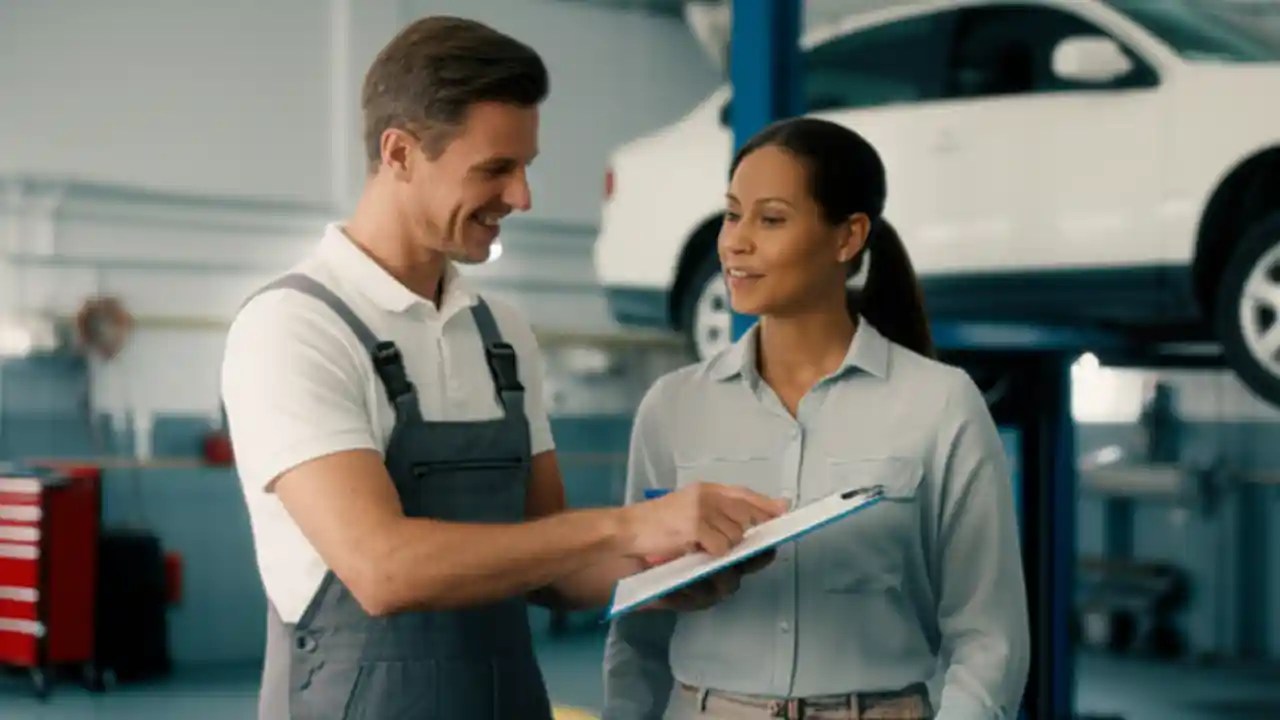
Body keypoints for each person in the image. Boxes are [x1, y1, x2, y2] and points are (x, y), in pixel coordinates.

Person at [220, 16, 786, 720]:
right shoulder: (294, 328)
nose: (523, 198)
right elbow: (381, 568)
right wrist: (629, 526)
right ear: (399, 153)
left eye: (526, 167)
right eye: (495, 169)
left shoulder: (502, 337)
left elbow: (553, 564)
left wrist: (667, 572)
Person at [602, 117, 1030, 720]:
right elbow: (639, 631)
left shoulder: (940, 404)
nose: (735, 242)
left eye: (770, 219)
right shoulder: (673, 408)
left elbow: (989, 636)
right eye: (732, 214)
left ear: (848, 237)